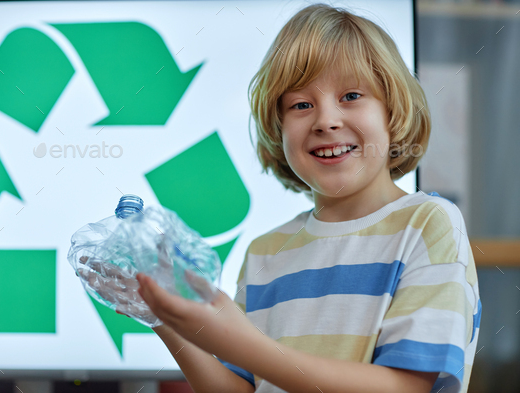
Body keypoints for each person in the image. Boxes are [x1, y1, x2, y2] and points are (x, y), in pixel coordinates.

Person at [133, 3, 482, 393]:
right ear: (278, 131)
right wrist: (159, 315)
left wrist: (239, 343)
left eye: (351, 95)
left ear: (393, 111)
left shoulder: (428, 223)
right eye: (301, 105)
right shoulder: (264, 252)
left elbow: (403, 387)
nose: (325, 120)